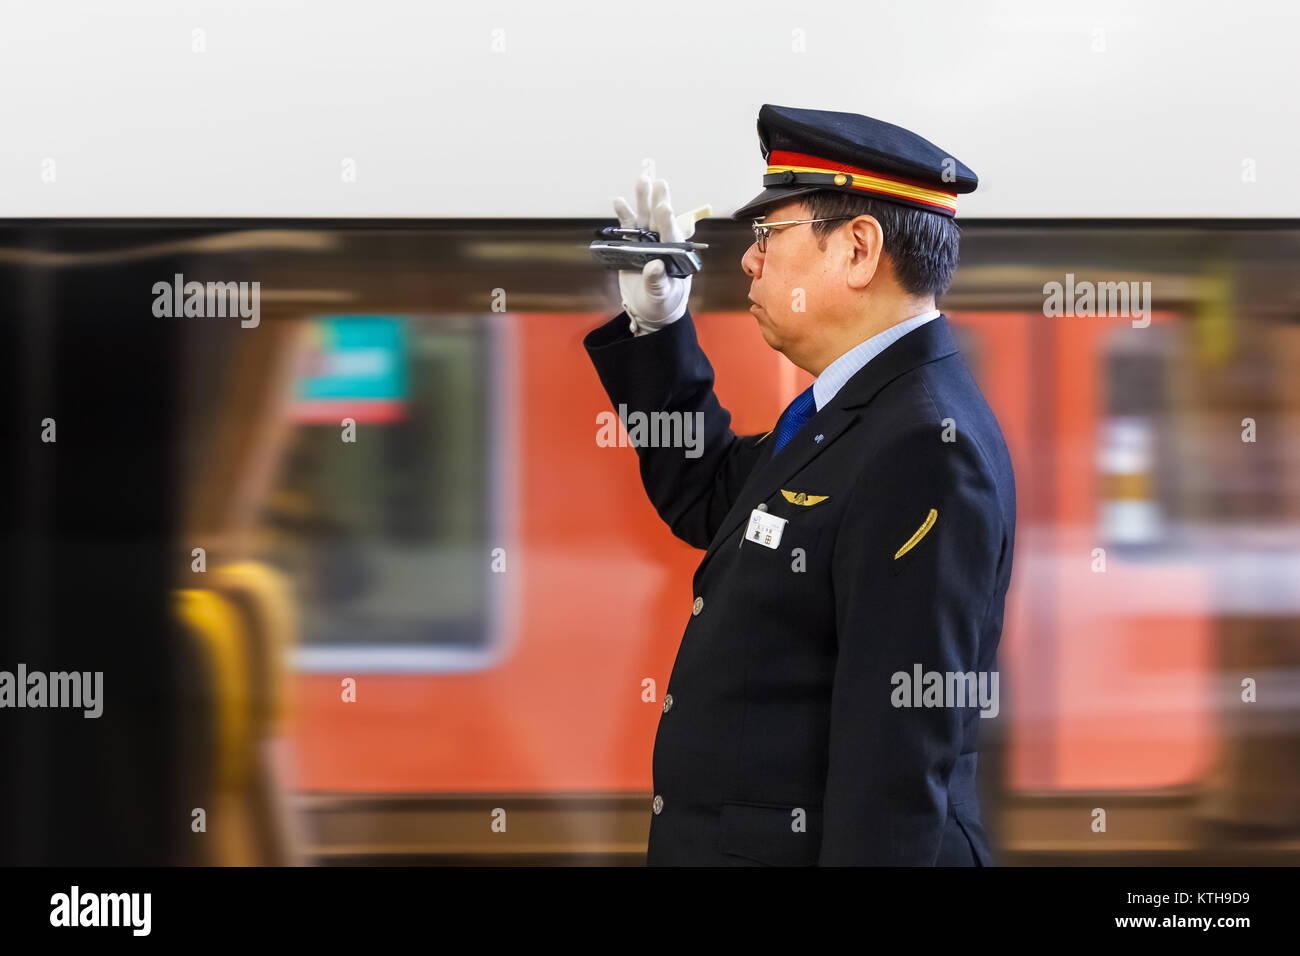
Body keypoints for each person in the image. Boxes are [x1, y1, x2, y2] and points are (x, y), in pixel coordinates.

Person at [583, 104, 1016, 865]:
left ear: (857, 249)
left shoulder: (924, 448)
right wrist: (657, 329)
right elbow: (711, 495)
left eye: (768, 235)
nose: (748, 261)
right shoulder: (855, 410)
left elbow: (894, 773)